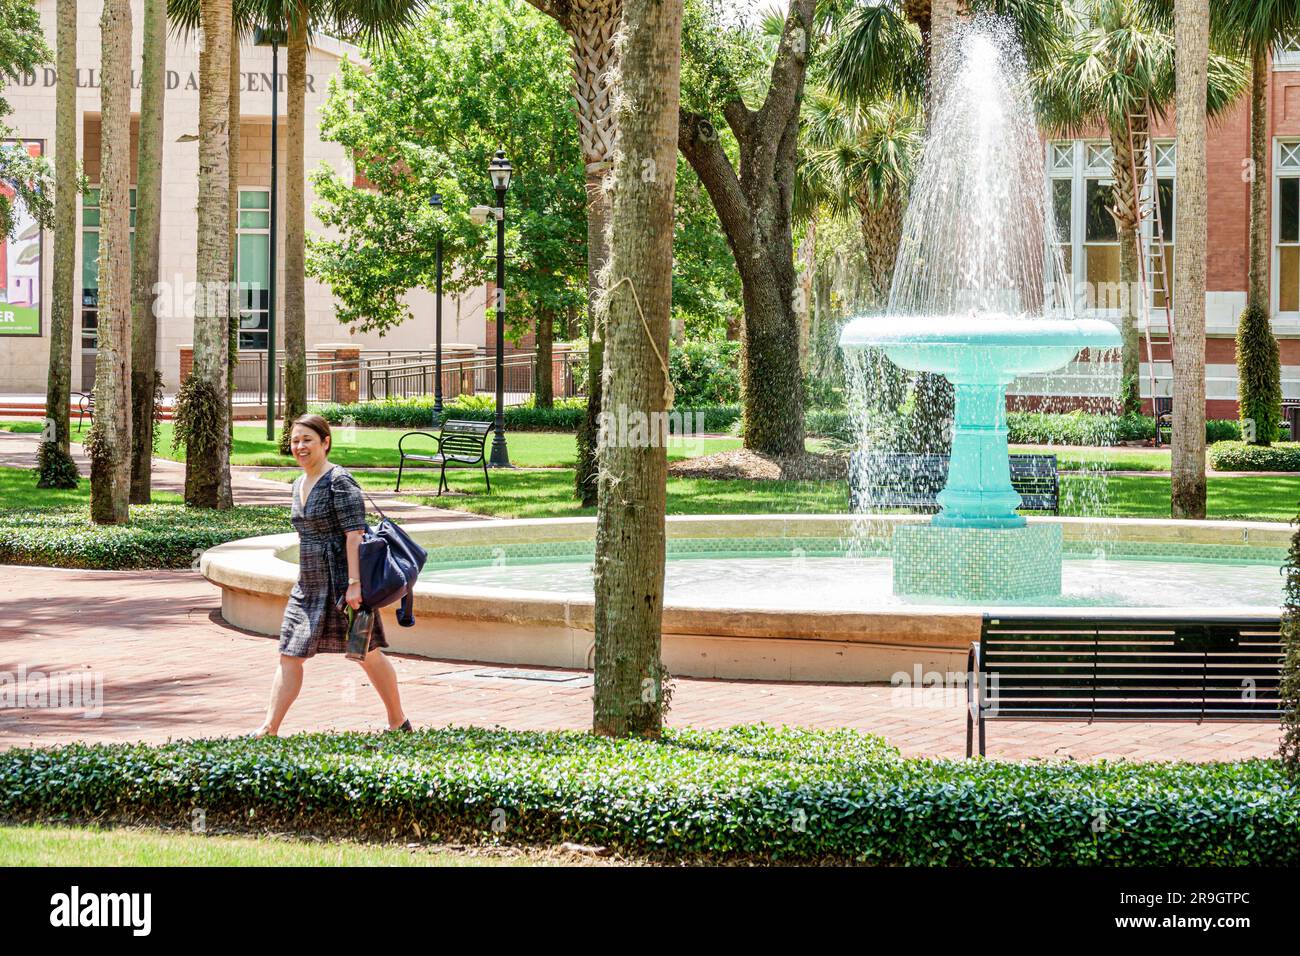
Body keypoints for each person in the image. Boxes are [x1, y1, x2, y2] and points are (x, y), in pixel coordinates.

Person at [252, 414, 412, 736]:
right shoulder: (298, 483)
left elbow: (354, 535)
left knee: (365, 653)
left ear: (325, 442)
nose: (300, 447)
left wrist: (355, 585)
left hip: (344, 585)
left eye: (307, 440)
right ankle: (269, 728)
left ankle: (398, 721)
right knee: (289, 652)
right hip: (308, 586)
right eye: (295, 441)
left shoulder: (340, 482)